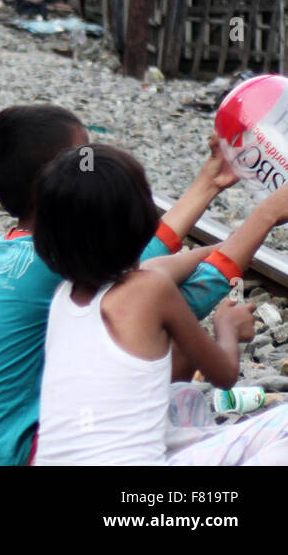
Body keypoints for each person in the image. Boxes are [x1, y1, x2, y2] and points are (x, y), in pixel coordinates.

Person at [0, 105, 269, 466]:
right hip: (23, 449)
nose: (93, 160)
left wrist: (211, 181)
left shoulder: (16, 250)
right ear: (55, 181)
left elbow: (143, 254)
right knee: (169, 338)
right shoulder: (53, 267)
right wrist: (263, 219)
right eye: (84, 155)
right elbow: (151, 278)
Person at [32, 144, 288, 465]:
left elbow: (158, 268)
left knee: (178, 396)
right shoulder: (151, 291)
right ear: (142, 221)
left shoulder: (64, 298)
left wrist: (255, 227)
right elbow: (224, 375)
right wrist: (228, 327)